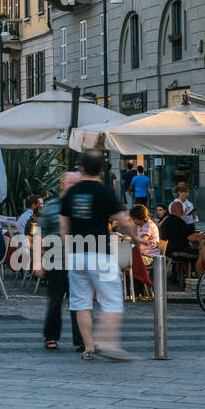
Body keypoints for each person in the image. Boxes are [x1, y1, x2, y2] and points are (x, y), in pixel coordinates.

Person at [60, 150, 141, 361]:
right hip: (99, 254)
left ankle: (88, 347)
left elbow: (63, 226)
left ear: (81, 168)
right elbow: (123, 220)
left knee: (81, 303)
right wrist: (136, 237)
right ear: (102, 170)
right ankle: (108, 342)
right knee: (112, 300)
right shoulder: (105, 192)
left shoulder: (71, 193)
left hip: (77, 255)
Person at [34, 171, 82, 352]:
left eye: (78, 182)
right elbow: (40, 235)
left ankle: (81, 339)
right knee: (55, 302)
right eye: (71, 182)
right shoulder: (52, 206)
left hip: (79, 261)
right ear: (63, 184)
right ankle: (51, 337)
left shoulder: (83, 205)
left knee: (79, 302)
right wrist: (37, 262)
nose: (75, 185)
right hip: (56, 261)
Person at [158, 197, 204, 284]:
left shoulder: (167, 219)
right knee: (199, 253)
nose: (183, 210)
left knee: (190, 251)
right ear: (179, 210)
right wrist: (202, 236)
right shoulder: (179, 222)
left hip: (167, 251)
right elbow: (191, 238)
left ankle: (188, 278)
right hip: (175, 252)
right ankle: (200, 281)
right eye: (182, 208)